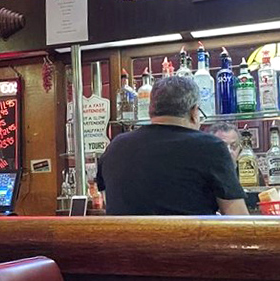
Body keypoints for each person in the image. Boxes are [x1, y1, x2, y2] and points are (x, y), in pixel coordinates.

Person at [96, 75, 248, 215]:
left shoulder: (115, 146)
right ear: (194, 112)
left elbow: (107, 202)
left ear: (151, 111)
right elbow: (239, 220)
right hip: (188, 243)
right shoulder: (211, 147)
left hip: (123, 244)